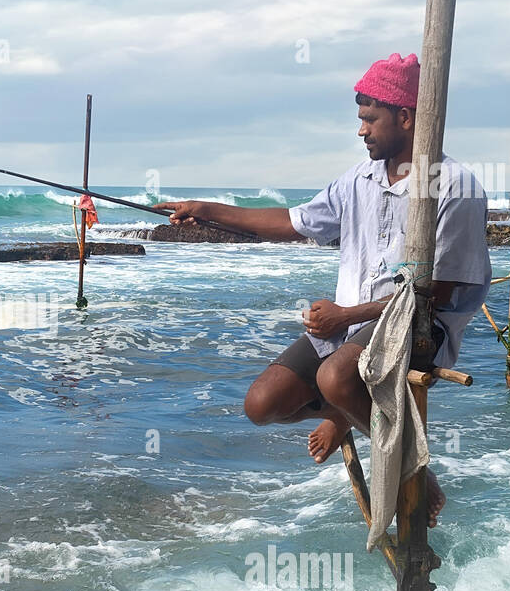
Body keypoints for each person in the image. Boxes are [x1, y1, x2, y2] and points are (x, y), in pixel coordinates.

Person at [156, 52, 491, 526]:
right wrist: (208, 209)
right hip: (351, 328)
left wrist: (347, 316)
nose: (361, 131)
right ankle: (344, 414)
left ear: (405, 116)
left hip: (417, 328)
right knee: (262, 405)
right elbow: (292, 222)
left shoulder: (454, 184)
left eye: (369, 119)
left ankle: (413, 467)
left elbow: (438, 290)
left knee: (336, 377)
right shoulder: (359, 178)